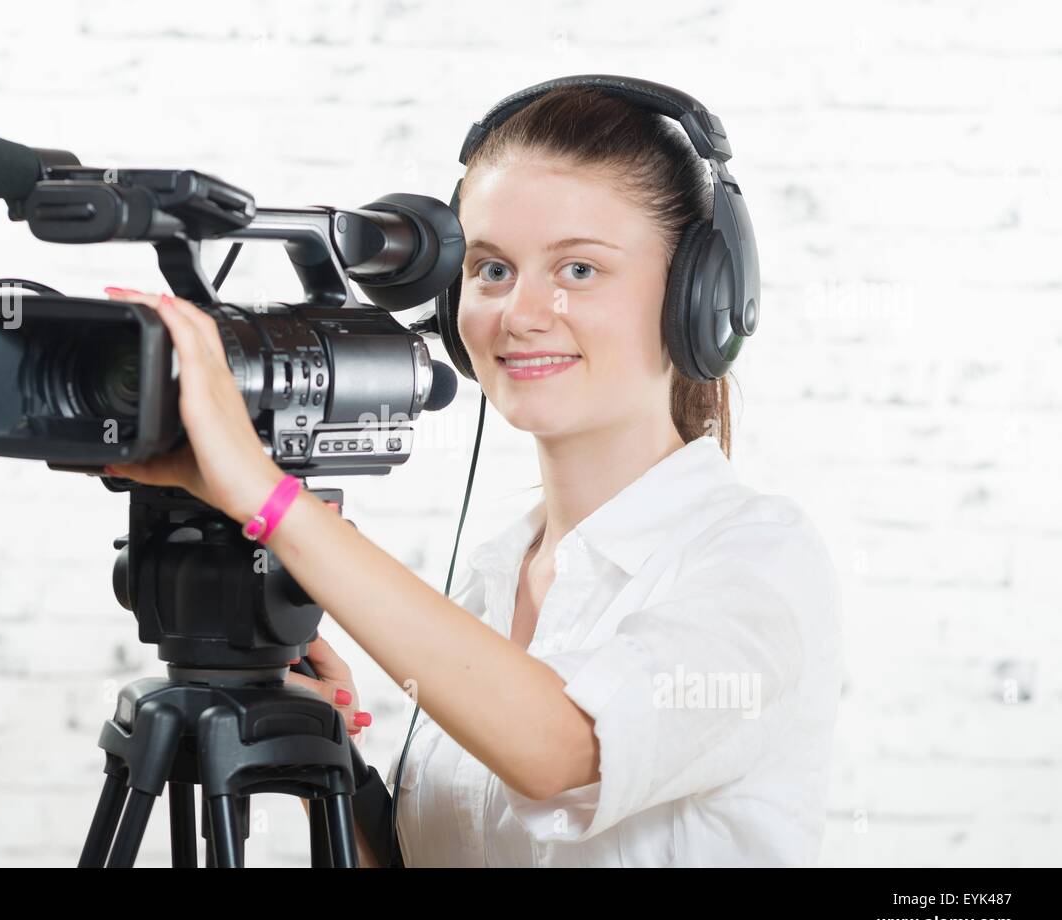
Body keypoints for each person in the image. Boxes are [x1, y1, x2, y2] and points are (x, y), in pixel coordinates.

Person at [99, 85, 844, 867]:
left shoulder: (755, 559)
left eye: (580, 268)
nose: (520, 313)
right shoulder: (490, 584)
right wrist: (337, 767)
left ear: (700, 298)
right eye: (491, 268)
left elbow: (563, 752)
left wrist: (265, 494)